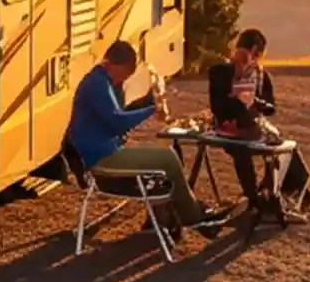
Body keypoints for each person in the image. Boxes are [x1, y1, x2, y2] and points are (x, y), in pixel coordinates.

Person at [63, 40, 228, 238]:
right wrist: (152, 109)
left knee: (162, 155)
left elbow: (112, 119)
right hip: (103, 157)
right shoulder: (97, 84)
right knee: (168, 158)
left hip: (104, 150)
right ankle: (193, 216)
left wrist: (143, 103)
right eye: (124, 74)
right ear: (114, 64)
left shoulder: (99, 80)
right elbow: (118, 121)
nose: (123, 80)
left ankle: (175, 217)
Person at [207, 28, 310, 216]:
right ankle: (257, 198)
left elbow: (270, 107)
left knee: (280, 147)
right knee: (243, 149)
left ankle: (271, 193)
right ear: (256, 49)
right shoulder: (222, 72)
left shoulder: (260, 75)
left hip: (250, 127)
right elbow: (221, 107)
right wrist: (243, 95)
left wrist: (257, 103)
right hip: (232, 129)